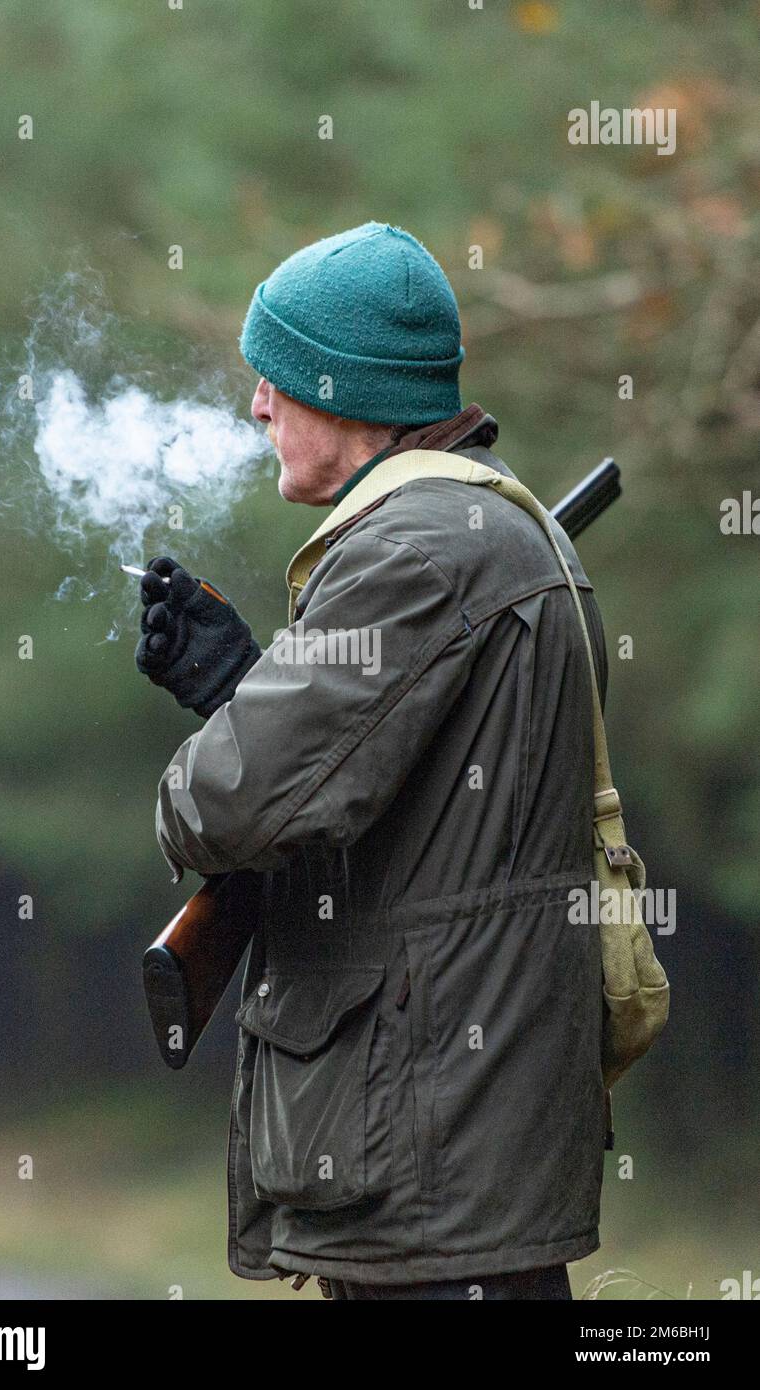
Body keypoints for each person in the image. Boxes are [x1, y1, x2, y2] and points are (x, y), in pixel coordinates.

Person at [135, 222, 609, 1301]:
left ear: (336, 388)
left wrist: (225, 734)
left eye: (275, 378)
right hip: (455, 1145)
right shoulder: (479, 528)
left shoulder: (413, 549)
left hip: (428, 1145)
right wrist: (241, 689)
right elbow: (401, 798)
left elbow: (217, 808)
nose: (256, 404)